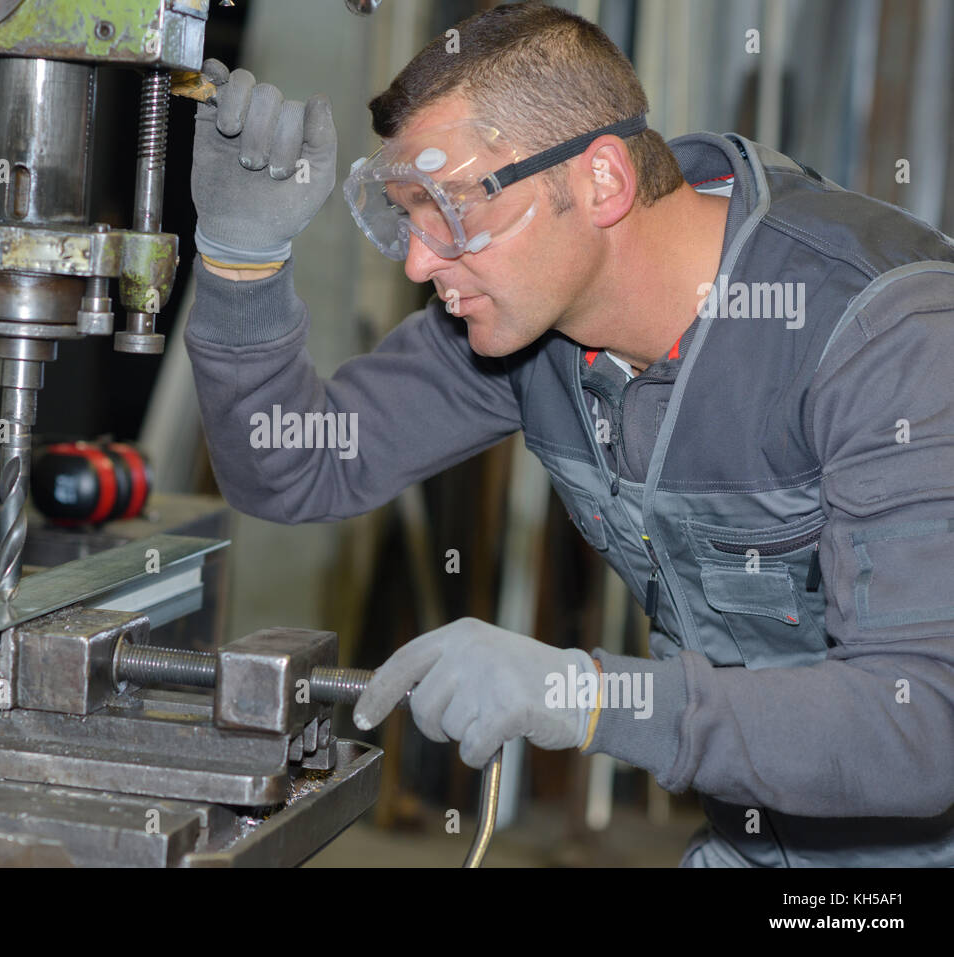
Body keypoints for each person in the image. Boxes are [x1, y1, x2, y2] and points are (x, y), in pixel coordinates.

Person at [184, 1, 954, 866]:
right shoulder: (530, 328)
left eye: (451, 208)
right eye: (404, 215)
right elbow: (291, 468)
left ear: (600, 182)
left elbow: (920, 722)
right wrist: (240, 262)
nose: (417, 261)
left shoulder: (887, 333)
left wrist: (587, 694)